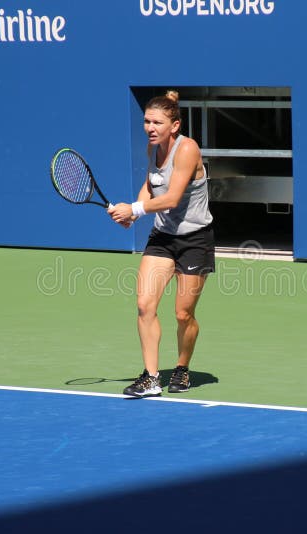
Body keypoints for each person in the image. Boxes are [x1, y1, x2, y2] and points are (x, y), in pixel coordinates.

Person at [108, 90, 214, 398]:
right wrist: (135, 212)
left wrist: (135, 209)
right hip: (163, 238)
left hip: (195, 239)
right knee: (144, 305)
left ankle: (182, 367)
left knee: (183, 314)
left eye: (157, 122)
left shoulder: (187, 150)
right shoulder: (152, 149)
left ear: (175, 125)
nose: (150, 127)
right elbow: (152, 185)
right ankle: (151, 377)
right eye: (146, 121)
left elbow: (172, 197)